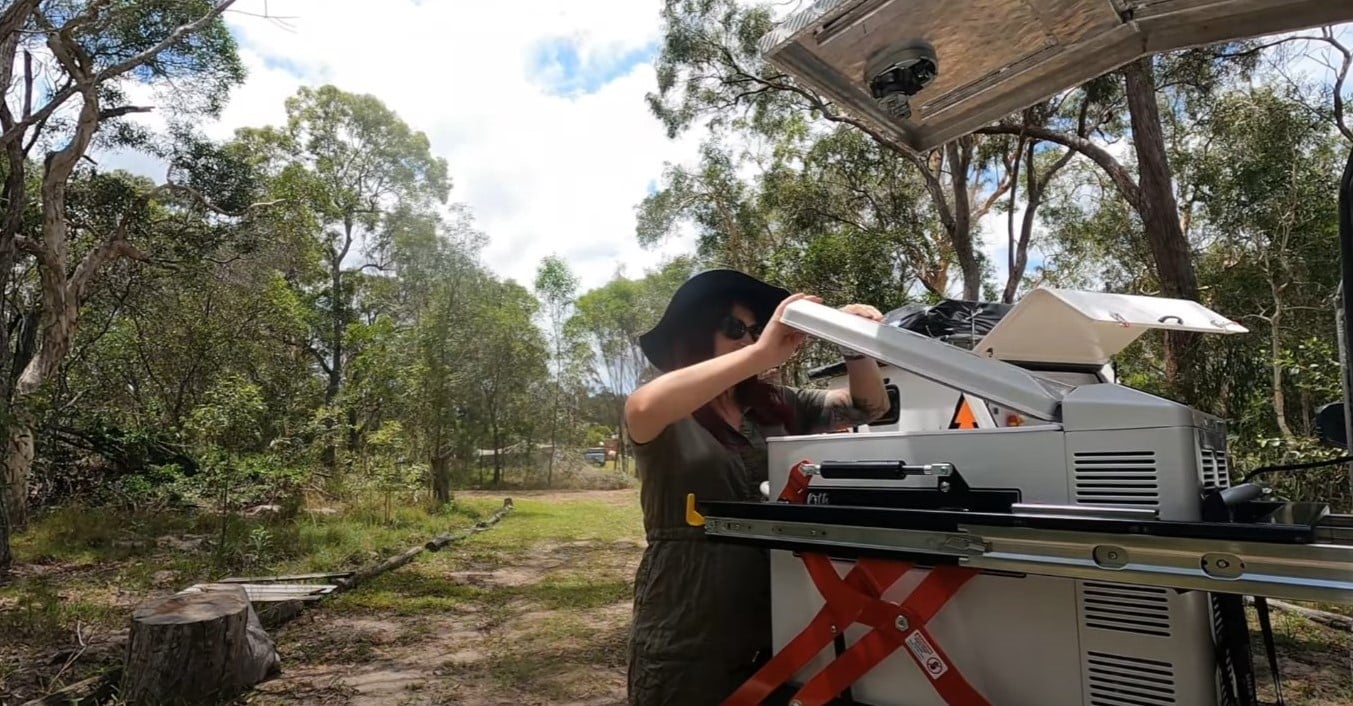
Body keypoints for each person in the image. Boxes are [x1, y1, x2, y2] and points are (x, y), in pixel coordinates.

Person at [624, 268, 891, 706]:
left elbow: (868, 407)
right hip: (687, 616)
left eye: (754, 330)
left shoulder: (775, 404)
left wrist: (855, 347)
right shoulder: (668, 407)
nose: (749, 339)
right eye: (735, 328)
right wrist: (762, 352)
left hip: (777, 609)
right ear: (696, 332)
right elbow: (642, 405)